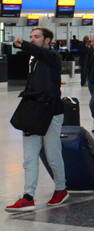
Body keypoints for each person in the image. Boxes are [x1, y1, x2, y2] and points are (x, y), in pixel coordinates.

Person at [5, 27, 68, 212]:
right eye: (31, 37)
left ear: (48, 40)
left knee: (53, 155)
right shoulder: (34, 60)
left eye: (37, 37)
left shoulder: (52, 57)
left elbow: (38, 51)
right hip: (33, 111)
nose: (33, 39)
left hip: (51, 111)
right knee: (29, 157)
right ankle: (28, 196)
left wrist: (23, 44)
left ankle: (61, 189)